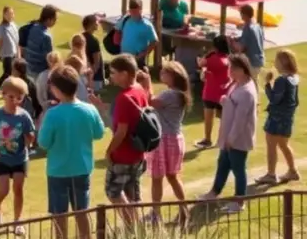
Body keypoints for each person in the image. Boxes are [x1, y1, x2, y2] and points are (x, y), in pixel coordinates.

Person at [38, 66, 105, 239]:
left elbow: (43, 143)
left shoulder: (52, 115)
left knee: (59, 215)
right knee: (82, 212)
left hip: (58, 172)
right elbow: (99, 133)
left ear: (56, 89)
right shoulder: (90, 110)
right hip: (82, 170)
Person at [91, 54, 149, 225]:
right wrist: (100, 106)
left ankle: (132, 227)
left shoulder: (124, 97)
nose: (111, 76)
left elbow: (121, 131)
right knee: (132, 194)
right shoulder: (139, 90)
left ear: (124, 74)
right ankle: (137, 230)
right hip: (138, 154)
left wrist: (109, 151)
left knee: (114, 192)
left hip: (123, 155)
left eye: (114, 72)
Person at [200, 54, 259, 214]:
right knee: (223, 164)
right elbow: (232, 102)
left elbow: (240, 120)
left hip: (237, 139)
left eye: (233, 68)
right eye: (229, 67)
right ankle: (214, 192)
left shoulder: (247, 91)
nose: (230, 71)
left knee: (238, 169)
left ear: (243, 69)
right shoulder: (238, 84)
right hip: (228, 136)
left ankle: (239, 202)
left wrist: (231, 139)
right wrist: (225, 100)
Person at [0, 77, 35, 231]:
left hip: (19, 158)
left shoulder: (23, 116)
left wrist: (28, 141)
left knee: (18, 189)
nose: (14, 101)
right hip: (1, 158)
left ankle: (17, 221)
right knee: (3, 189)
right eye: (11, 97)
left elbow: (30, 134)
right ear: (3, 94)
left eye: (19, 98)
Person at [143, 62, 190, 226]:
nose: (161, 74)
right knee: (173, 177)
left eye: (164, 72)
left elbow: (150, 101)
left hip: (163, 140)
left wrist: (147, 81)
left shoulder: (170, 94)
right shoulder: (177, 94)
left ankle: (156, 214)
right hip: (175, 139)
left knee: (157, 178)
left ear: (173, 76)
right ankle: (184, 210)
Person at [257, 49, 301, 184]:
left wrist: (267, 84)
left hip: (277, 118)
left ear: (283, 62)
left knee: (271, 145)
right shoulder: (294, 78)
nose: (275, 62)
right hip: (287, 118)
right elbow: (296, 101)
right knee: (283, 144)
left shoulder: (282, 80)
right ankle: (293, 171)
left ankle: (271, 174)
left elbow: (274, 99)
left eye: (277, 60)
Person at [196, 36, 232, 149]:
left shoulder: (212, 58)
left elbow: (200, 64)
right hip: (224, 92)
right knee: (223, 117)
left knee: (208, 117)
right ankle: (223, 139)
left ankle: (207, 139)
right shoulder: (229, 59)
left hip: (211, 92)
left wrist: (205, 56)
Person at [118, 0, 158, 71]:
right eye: (132, 11)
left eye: (136, 11)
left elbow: (154, 41)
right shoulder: (125, 20)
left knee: (137, 78)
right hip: (124, 55)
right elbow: (118, 31)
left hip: (137, 58)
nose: (133, 13)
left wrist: (144, 53)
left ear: (141, 10)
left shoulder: (147, 25)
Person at [230, 4, 266, 82]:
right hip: (259, 60)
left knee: (248, 84)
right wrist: (238, 38)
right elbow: (254, 39)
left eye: (241, 14)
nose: (241, 16)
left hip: (252, 62)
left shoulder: (248, 27)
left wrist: (231, 41)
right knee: (254, 83)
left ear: (245, 14)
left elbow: (241, 48)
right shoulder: (258, 26)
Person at [24, 5, 57, 77]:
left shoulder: (33, 28)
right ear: (48, 19)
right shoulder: (46, 36)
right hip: (39, 73)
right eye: (55, 19)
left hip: (28, 68)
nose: (55, 22)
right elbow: (50, 59)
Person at [0, 6, 18, 94]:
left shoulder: (14, 25)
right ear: (4, 15)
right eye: (8, 14)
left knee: (12, 72)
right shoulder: (1, 27)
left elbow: (17, 39)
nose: (10, 16)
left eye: (12, 14)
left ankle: (7, 88)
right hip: (6, 53)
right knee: (7, 72)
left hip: (14, 52)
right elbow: (0, 41)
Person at [82, 15, 105, 92]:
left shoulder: (80, 37)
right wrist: (91, 78)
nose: (98, 23)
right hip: (95, 78)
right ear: (91, 24)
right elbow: (97, 63)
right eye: (96, 22)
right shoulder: (94, 41)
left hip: (83, 74)